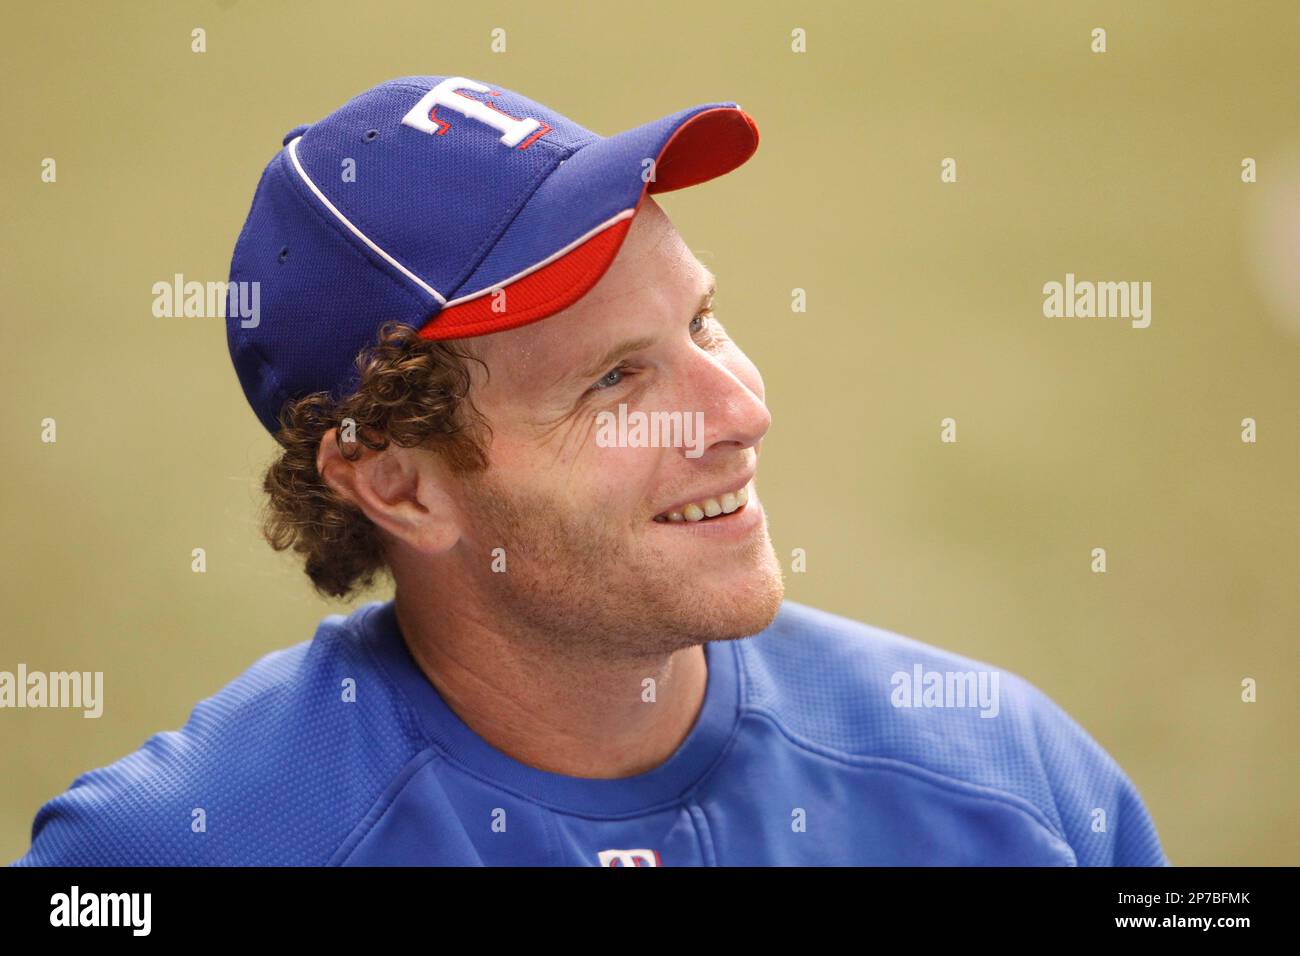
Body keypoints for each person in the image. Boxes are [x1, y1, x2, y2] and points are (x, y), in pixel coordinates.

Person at [13, 76, 1168, 866]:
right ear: (398, 483)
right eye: (615, 380)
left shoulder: (1014, 789)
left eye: (704, 325)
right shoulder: (179, 853)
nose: (742, 410)